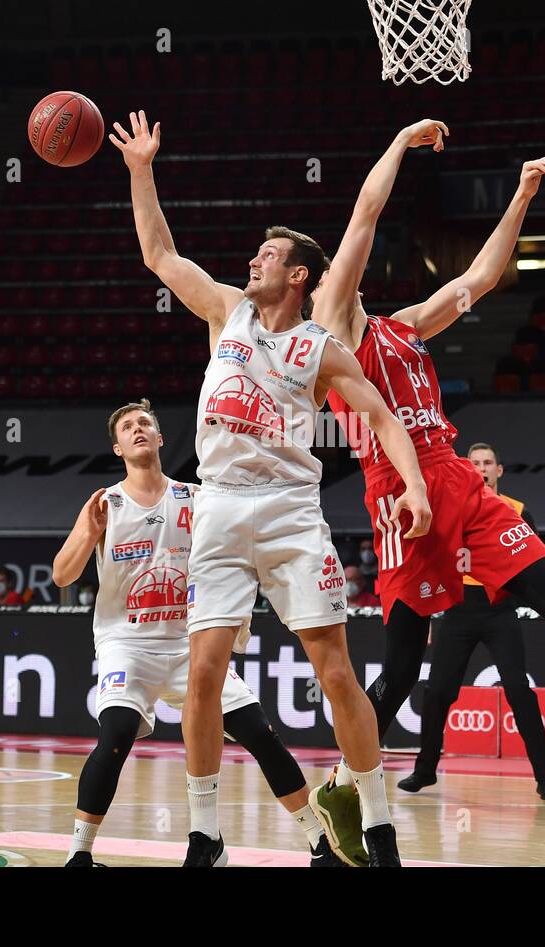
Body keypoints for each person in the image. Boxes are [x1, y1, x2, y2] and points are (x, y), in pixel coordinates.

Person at [309, 120, 545, 825]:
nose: (349, 271)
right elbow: (366, 214)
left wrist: (521, 194)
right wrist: (396, 142)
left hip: (458, 477)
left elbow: (481, 278)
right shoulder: (331, 331)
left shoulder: (403, 323)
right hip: (401, 494)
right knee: (402, 668)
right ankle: (342, 782)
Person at [110, 111, 433, 867]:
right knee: (203, 674)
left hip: (290, 511)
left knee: (335, 670)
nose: (252, 259)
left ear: (299, 275)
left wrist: (413, 487)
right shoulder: (227, 311)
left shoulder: (320, 347)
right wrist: (140, 168)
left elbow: (385, 418)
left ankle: (379, 826)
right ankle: (205, 835)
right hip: (217, 504)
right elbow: (159, 254)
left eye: (268, 254)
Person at [51, 399, 344, 867]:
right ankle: (79, 854)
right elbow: (62, 575)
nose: (138, 429)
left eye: (146, 422)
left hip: (193, 643)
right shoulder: (106, 503)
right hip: (128, 646)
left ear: (162, 438)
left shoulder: (198, 496)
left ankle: (319, 843)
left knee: (259, 733)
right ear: (117, 446)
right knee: (117, 732)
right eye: (128, 427)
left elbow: (240, 559)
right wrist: (88, 534)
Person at [399, 442, 545, 800]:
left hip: (499, 611)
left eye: (488, 463)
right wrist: (424, 613)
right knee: (437, 691)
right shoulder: (447, 508)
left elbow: (537, 570)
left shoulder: (516, 510)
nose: (482, 468)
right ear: (465, 469)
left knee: (519, 690)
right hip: (457, 611)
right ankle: (424, 771)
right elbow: (427, 563)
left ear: (499, 470)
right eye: (474, 463)